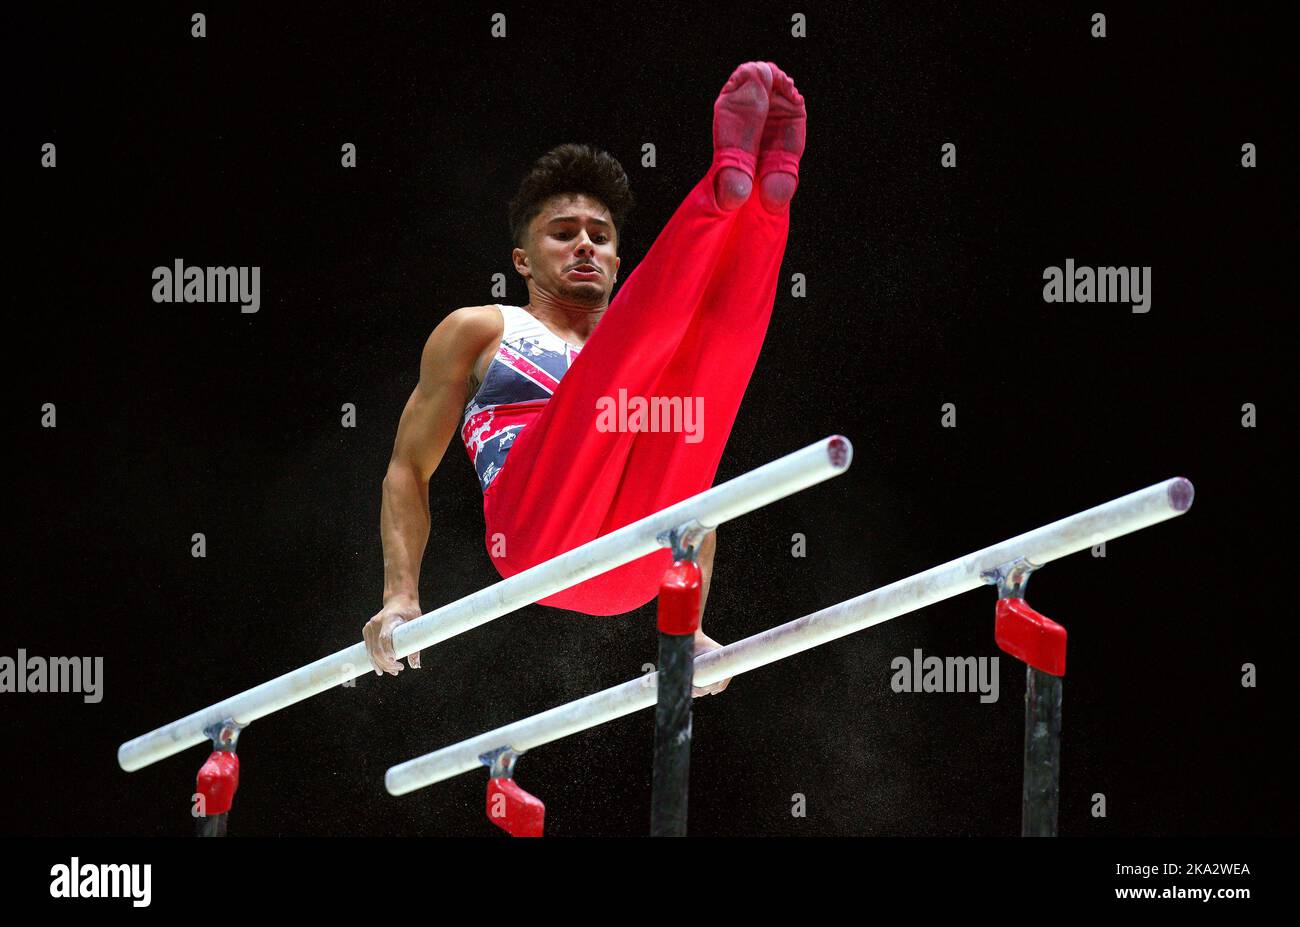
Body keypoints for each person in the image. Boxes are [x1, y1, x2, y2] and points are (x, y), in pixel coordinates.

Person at [364, 61, 806, 699]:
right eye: (563, 234)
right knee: (626, 379)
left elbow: (691, 485)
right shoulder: (481, 328)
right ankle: (719, 194)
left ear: (621, 260)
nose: (585, 247)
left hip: (634, 572)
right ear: (521, 259)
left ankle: (764, 205)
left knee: (702, 387)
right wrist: (401, 596)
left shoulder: (646, 351)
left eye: (600, 237)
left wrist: (689, 626)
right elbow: (407, 468)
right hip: (534, 539)